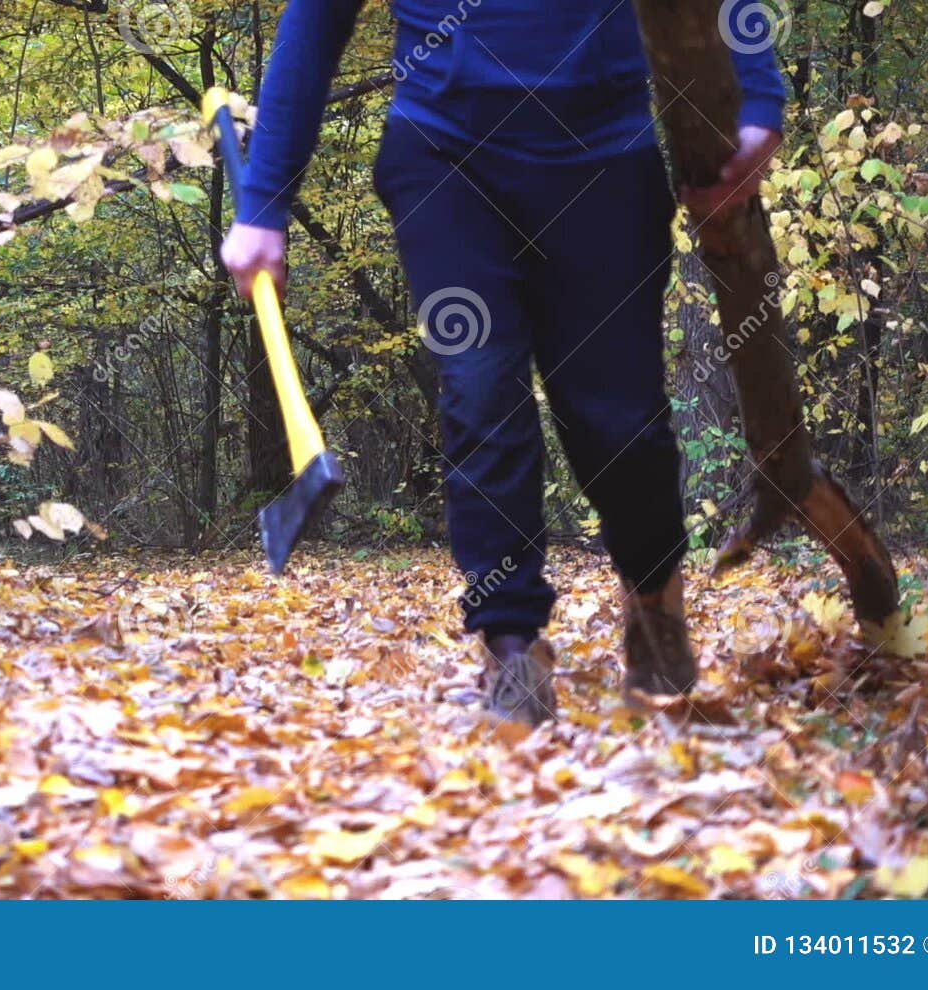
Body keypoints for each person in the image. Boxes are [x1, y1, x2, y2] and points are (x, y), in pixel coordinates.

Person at [221, 0, 785, 724]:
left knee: (618, 424)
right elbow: (316, 20)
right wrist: (264, 204)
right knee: (480, 386)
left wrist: (759, 94)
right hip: (444, 155)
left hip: (604, 156)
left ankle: (652, 592)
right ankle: (511, 644)